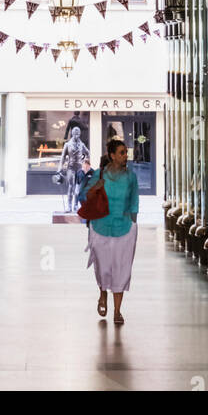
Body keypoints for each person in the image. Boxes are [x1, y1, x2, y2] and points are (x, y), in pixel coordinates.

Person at [77, 138, 139, 324]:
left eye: (126, 153)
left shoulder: (131, 177)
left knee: (122, 269)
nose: (125, 156)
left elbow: (134, 202)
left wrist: (133, 223)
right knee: (104, 268)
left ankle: (117, 311)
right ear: (112, 155)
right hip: (100, 227)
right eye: (122, 153)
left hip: (124, 228)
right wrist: (95, 188)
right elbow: (83, 195)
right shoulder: (99, 174)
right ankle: (102, 293)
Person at [56, 124, 90, 213]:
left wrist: (85, 162)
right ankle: (69, 207)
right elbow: (63, 157)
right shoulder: (67, 144)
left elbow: (88, 153)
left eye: (78, 134)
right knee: (71, 187)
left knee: (77, 189)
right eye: (75, 133)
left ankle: (75, 206)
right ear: (72, 134)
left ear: (80, 134)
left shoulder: (81, 145)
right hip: (70, 168)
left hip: (79, 168)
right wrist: (60, 168)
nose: (76, 135)